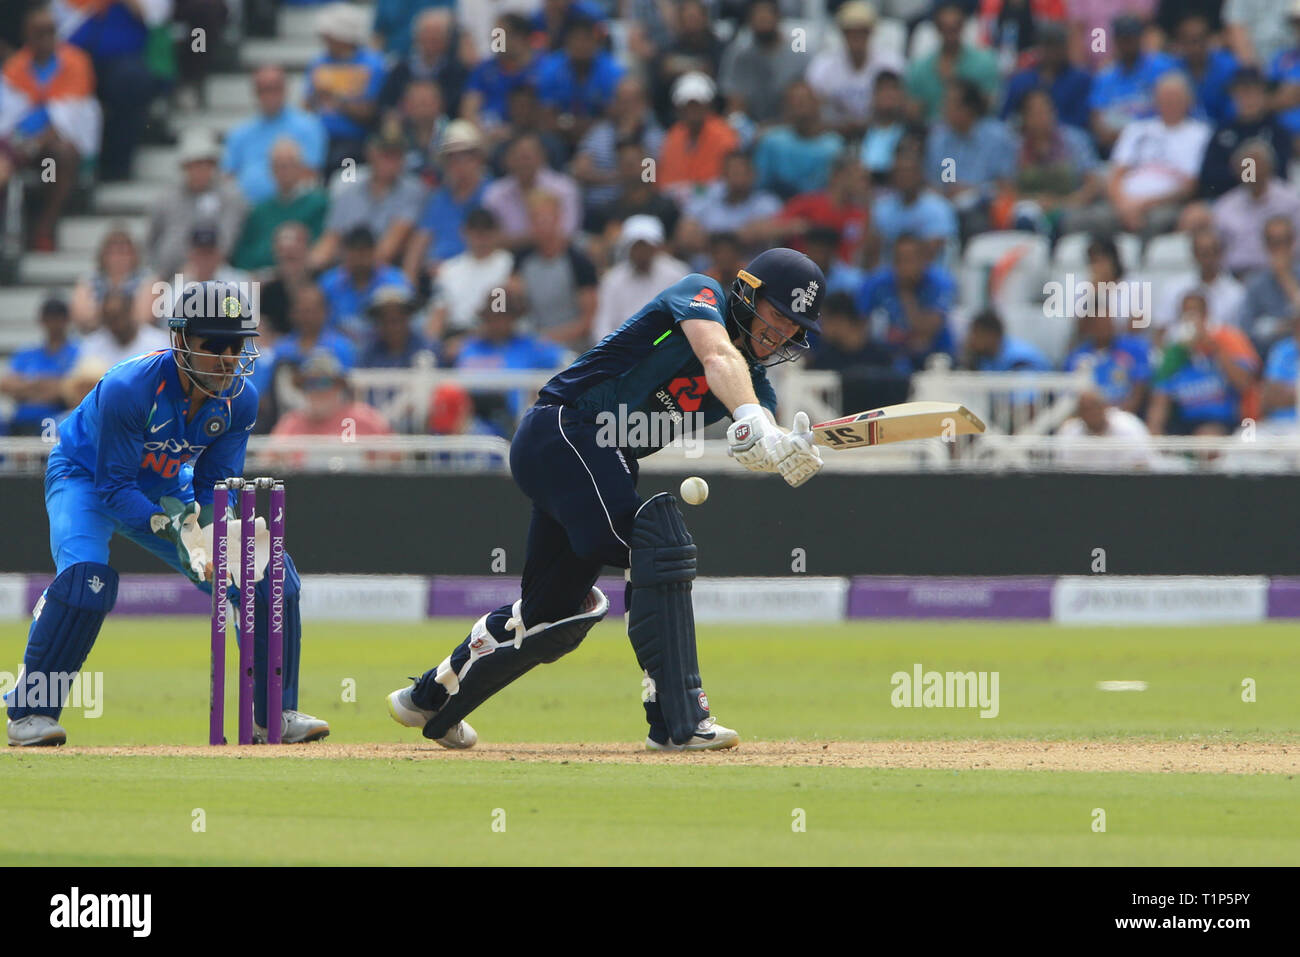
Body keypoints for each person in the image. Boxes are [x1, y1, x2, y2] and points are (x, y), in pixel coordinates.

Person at [387, 248, 827, 751]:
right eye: (776, 314)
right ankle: (677, 720)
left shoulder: (756, 382)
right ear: (747, 294)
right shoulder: (700, 294)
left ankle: (428, 696)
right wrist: (751, 416)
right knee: (658, 548)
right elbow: (717, 356)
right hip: (568, 429)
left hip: (595, 457)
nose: (781, 333)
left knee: (552, 613)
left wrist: (780, 446)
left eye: (794, 327)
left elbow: (755, 428)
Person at [4, 281, 329, 746]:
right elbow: (114, 488)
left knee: (266, 573)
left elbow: (215, 484)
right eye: (212, 344)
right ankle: (29, 715)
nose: (227, 357)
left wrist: (214, 535)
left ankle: (273, 714)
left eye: (235, 344)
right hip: (85, 477)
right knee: (85, 583)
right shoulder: (128, 388)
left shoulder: (241, 400)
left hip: (164, 484)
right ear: (179, 342)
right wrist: (177, 529)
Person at [0, 296, 79, 435]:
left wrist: (27, 385)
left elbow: (69, 389)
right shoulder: (27, 353)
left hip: (56, 418)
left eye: (58, 317)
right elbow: (6, 385)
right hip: (20, 419)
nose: (53, 323)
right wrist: (45, 385)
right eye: (49, 318)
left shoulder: (77, 352)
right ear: (42, 320)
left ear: (67, 320)